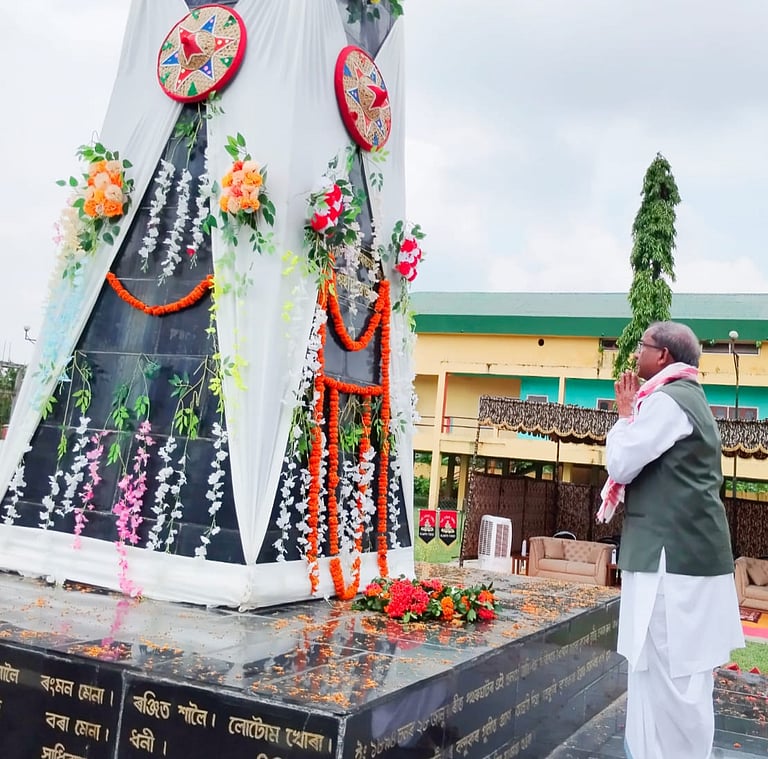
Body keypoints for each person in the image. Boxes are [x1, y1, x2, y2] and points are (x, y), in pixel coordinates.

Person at [598, 321, 744, 759]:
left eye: (641, 346)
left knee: (673, 673)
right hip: (678, 560)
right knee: (660, 671)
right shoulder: (685, 397)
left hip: (674, 564)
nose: (635, 354)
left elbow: (622, 463)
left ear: (662, 356)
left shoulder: (667, 402)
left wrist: (625, 416)